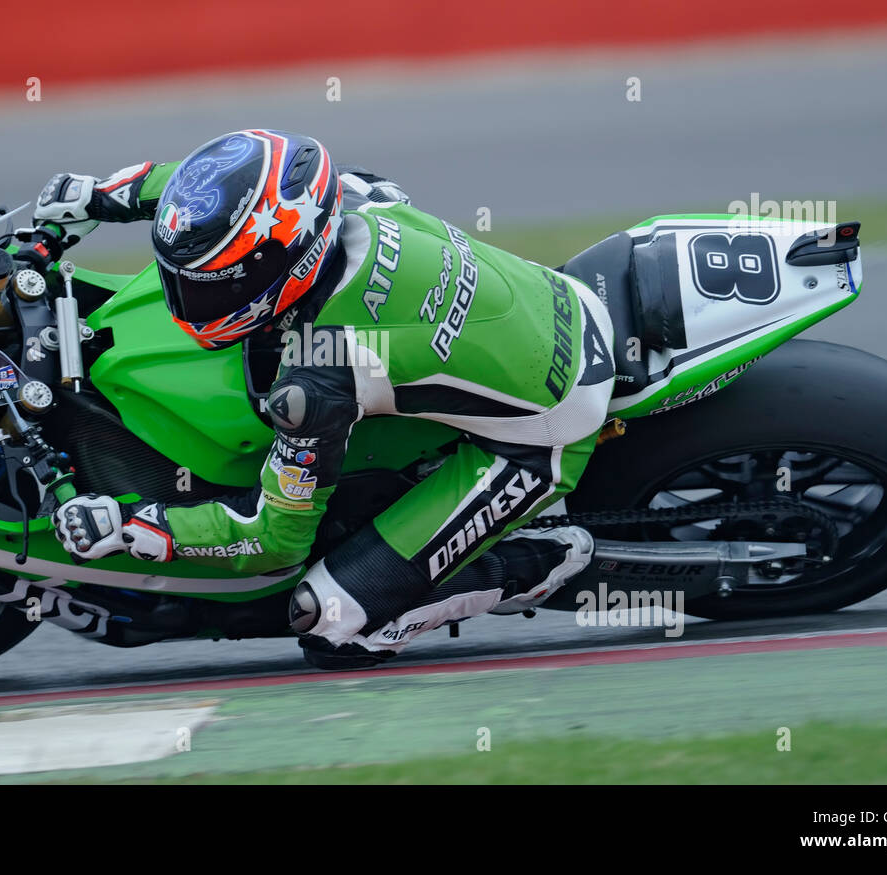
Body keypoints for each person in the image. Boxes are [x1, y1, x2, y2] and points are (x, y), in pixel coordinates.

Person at [41, 129, 614, 669]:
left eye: (211, 282)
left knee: (329, 622)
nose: (186, 295)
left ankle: (536, 563)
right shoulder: (347, 193)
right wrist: (98, 195)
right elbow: (206, 189)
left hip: (545, 431)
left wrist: (134, 526)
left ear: (279, 265)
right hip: (558, 299)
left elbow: (273, 541)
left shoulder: (320, 371)